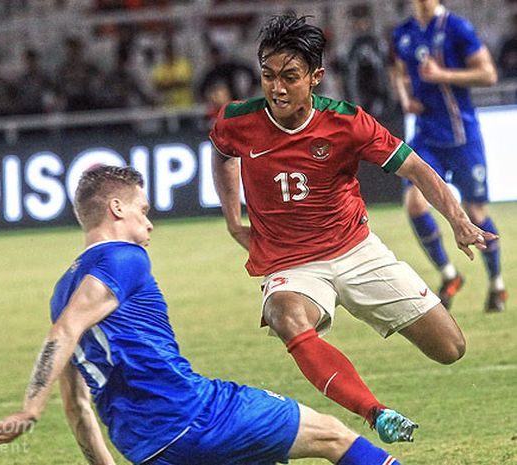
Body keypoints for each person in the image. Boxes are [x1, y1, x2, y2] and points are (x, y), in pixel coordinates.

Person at [0, 165, 404, 465]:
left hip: (144, 447)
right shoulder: (124, 259)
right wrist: (30, 409)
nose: (150, 223)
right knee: (333, 435)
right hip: (194, 415)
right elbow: (65, 331)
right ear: (117, 208)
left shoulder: (60, 291)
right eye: (143, 210)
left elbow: (77, 409)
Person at [210, 13, 494, 442]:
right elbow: (222, 152)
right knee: (285, 315)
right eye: (267, 76)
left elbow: (416, 168)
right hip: (291, 264)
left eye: (289, 76)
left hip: (356, 250)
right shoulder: (238, 120)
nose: (276, 88)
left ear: (316, 77)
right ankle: (375, 413)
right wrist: (234, 219)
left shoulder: (346, 123)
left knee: (451, 349)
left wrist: (458, 221)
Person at [391, 0, 505, 312]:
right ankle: (449, 274)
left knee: (475, 213)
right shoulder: (404, 32)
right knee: (414, 204)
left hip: (461, 134)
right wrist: (406, 97)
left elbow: (488, 74)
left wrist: (444, 74)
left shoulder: (457, 28)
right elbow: (399, 72)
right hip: (426, 134)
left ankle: (497, 283)